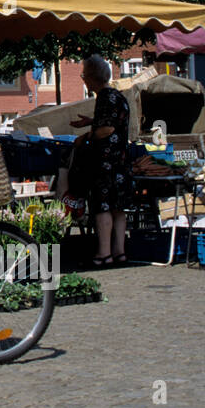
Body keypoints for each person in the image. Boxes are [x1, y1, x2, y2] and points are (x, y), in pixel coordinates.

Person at [69, 54, 132, 266]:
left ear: (92, 77)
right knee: (118, 208)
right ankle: (119, 252)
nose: (83, 80)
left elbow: (107, 129)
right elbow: (112, 121)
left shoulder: (105, 97)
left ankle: (104, 253)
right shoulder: (116, 96)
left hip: (106, 164)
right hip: (120, 162)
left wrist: (85, 136)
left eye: (84, 76)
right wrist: (91, 122)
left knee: (103, 207)